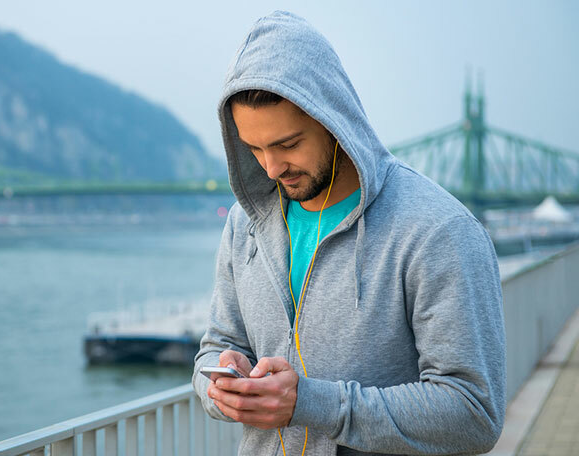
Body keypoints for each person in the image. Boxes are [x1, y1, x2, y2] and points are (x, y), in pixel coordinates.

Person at [191, 11, 506, 456]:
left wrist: (312, 402)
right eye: (254, 148)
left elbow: (475, 413)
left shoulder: (439, 231)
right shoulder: (245, 224)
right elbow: (215, 349)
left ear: (333, 119)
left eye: (287, 144)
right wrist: (220, 389)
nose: (271, 167)